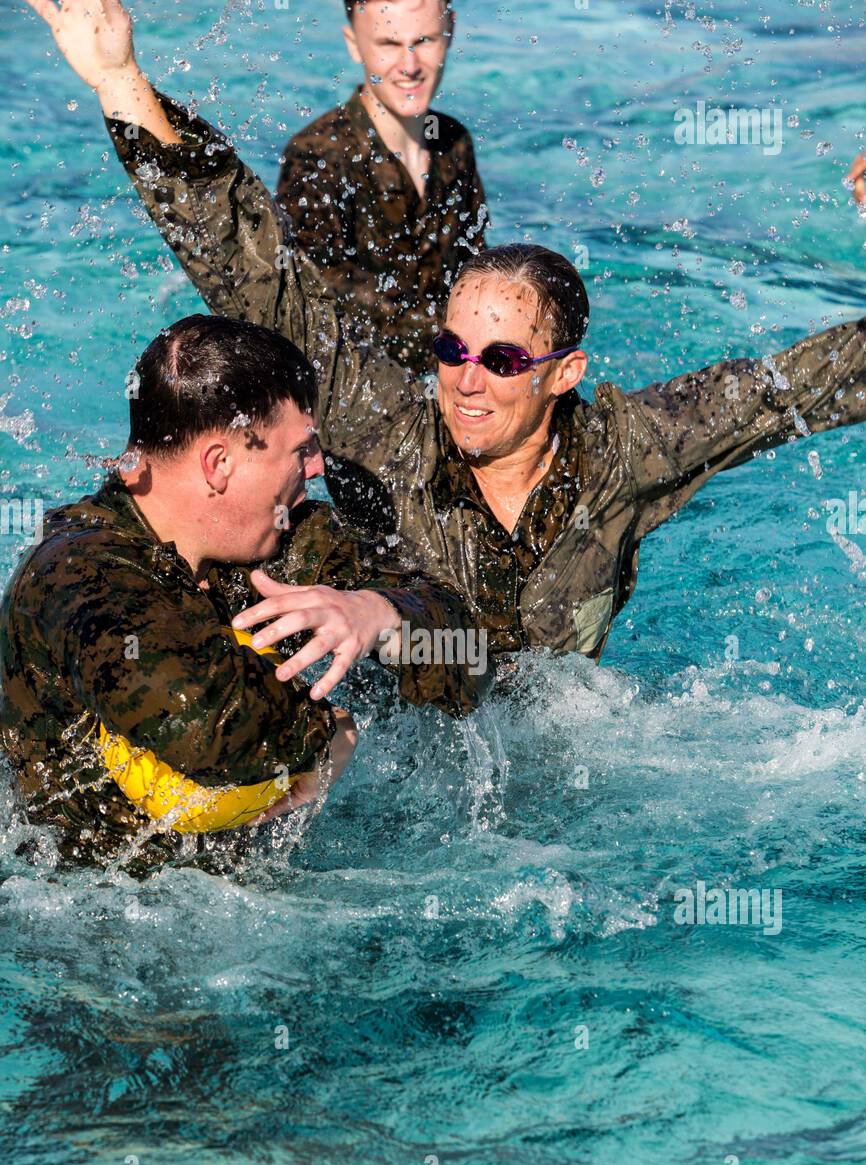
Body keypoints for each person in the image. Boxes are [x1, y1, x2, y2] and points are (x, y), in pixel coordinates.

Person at [26, 0, 866, 664]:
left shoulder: (628, 447)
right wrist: (122, 83)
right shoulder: (385, 426)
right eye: (451, 351)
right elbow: (257, 274)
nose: (465, 381)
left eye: (502, 360)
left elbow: (808, 383)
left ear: (563, 374)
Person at [0, 314, 492, 870]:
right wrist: (331, 735)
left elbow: (472, 656)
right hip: (92, 916)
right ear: (219, 464)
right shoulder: (75, 576)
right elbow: (201, 725)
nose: (316, 469)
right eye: (301, 450)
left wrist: (379, 616)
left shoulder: (276, 538)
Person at [275, 0, 488, 373]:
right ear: (353, 43)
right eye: (388, 45)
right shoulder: (316, 157)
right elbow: (312, 308)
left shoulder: (454, 143)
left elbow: (478, 272)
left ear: (450, 31)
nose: (409, 66)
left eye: (424, 40)